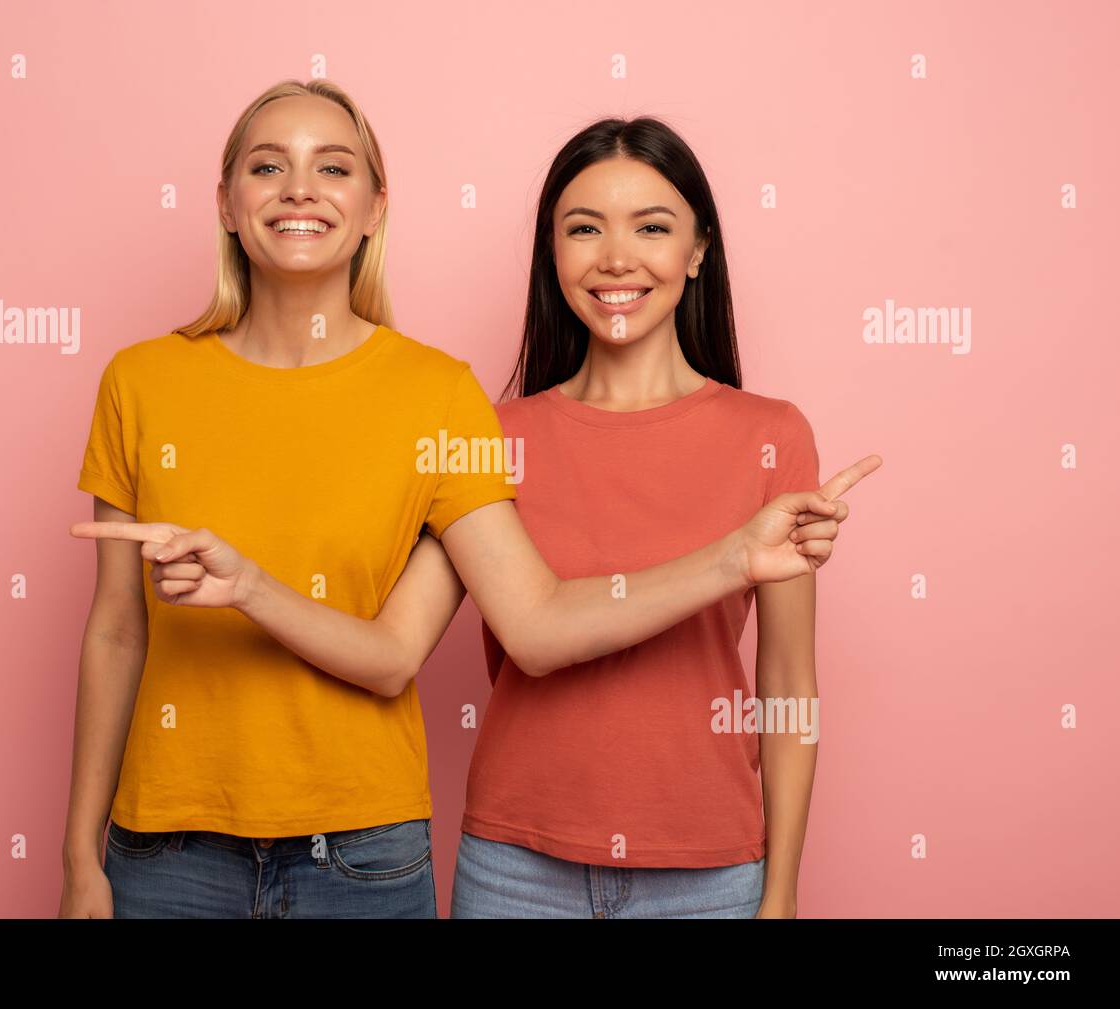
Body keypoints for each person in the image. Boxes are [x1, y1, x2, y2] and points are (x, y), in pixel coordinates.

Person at [59, 79, 874, 920]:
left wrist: (782, 890)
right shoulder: (483, 426)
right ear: (226, 202)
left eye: (653, 227)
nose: (617, 256)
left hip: (581, 861)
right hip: (473, 862)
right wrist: (79, 855)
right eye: (584, 227)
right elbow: (126, 627)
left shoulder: (454, 401)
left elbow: (769, 679)